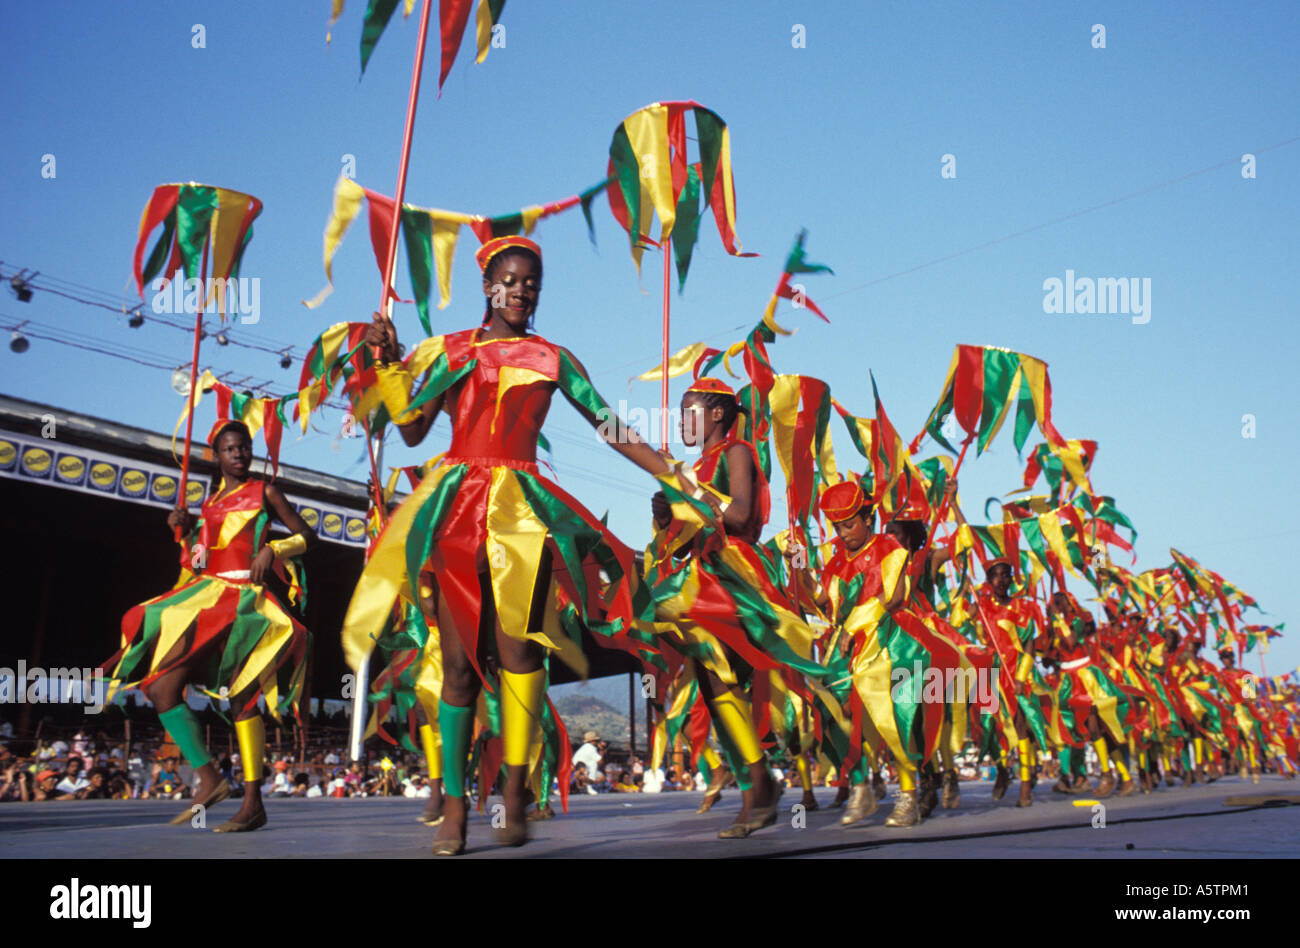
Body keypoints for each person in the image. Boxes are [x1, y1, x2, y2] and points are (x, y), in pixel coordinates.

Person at [345, 236, 671, 855]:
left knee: (521, 654)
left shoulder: (553, 358)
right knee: (460, 666)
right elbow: (411, 431)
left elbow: (607, 423)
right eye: (511, 281)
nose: (522, 291)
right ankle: (455, 807)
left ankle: (515, 793)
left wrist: (667, 471)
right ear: (488, 287)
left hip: (521, 511)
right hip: (458, 509)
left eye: (532, 283)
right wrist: (388, 365)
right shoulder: (450, 351)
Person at [648, 377, 840, 838]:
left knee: (722, 678)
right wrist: (665, 515)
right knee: (713, 683)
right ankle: (757, 783)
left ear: (717, 414)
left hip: (737, 571)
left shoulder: (737, 453)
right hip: (704, 571)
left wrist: (687, 495)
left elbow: (737, 515)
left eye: (688, 410)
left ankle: (762, 784)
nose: (680, 421)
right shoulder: (695, 465)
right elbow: (682, 541)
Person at [102, 418, 315, 832]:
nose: (239, 454)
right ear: (216, 456)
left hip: (246, 601)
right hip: (207, 596)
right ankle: (210, 776)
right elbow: (199, 563)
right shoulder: (211, 503)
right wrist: (181, 533)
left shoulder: (265, 491)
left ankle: (253, 801)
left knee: (242, 696)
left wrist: (273, 548)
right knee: (162, 688)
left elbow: (307, 534)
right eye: (230, 449)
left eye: (244, 447)